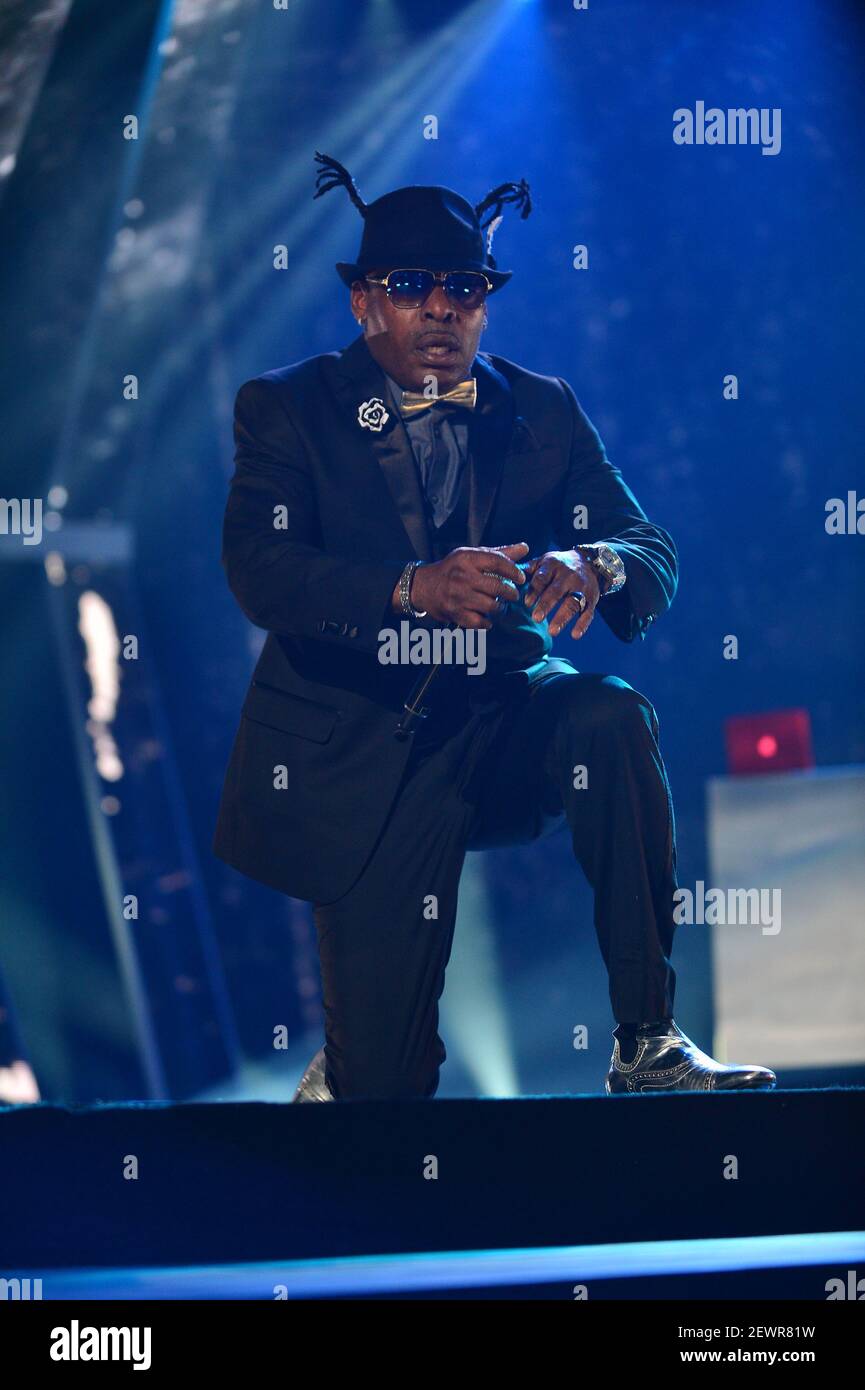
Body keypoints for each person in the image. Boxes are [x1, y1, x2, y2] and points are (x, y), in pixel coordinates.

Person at [214, 153, 775, 1100]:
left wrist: (595, 564)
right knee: (384, 1097)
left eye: (464, 288)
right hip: (365, 742)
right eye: (411, 287)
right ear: (363, 304)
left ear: (484, 302)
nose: (441, 309)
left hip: (505, 716)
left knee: (609, 714)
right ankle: (356, 1063)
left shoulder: (541, 407)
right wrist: (411, 589)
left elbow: (648, 543)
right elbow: (260, 572)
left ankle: (648, 1041)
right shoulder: (288, 407)